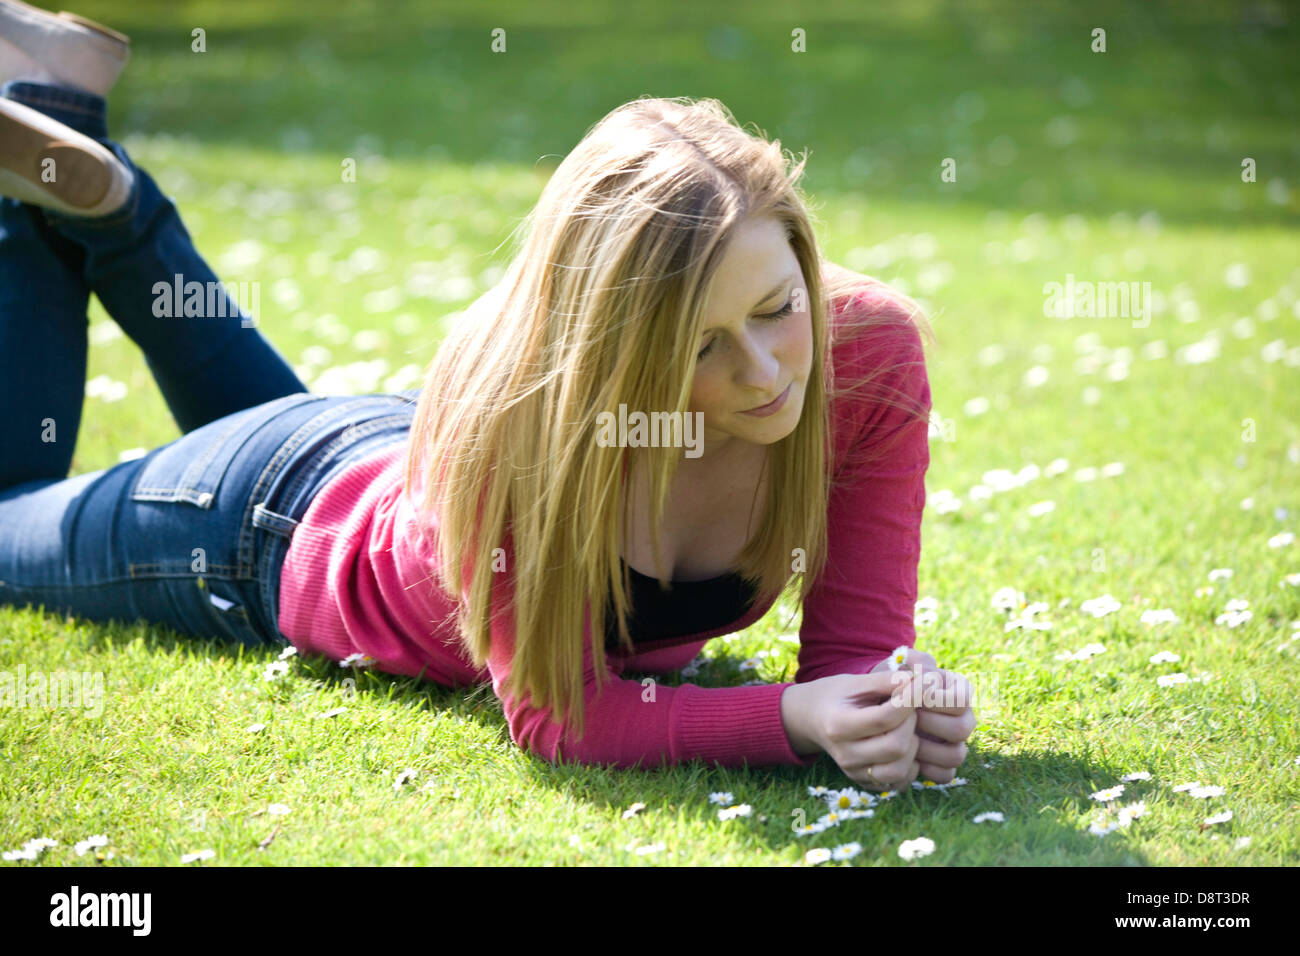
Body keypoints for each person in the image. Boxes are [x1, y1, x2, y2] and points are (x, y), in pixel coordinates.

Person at [0, 3, 975, 792]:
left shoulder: (867, 353)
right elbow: (558, 713)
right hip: (259, 531)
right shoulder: (525, 417)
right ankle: (64, 163)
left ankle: (90, 165)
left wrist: (887, 711)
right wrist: (791, 720)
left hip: (378, 459)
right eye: (700, 347)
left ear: (806, 261)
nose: (764, 373)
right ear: (604, 350)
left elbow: (854, 656)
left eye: (774, 308)